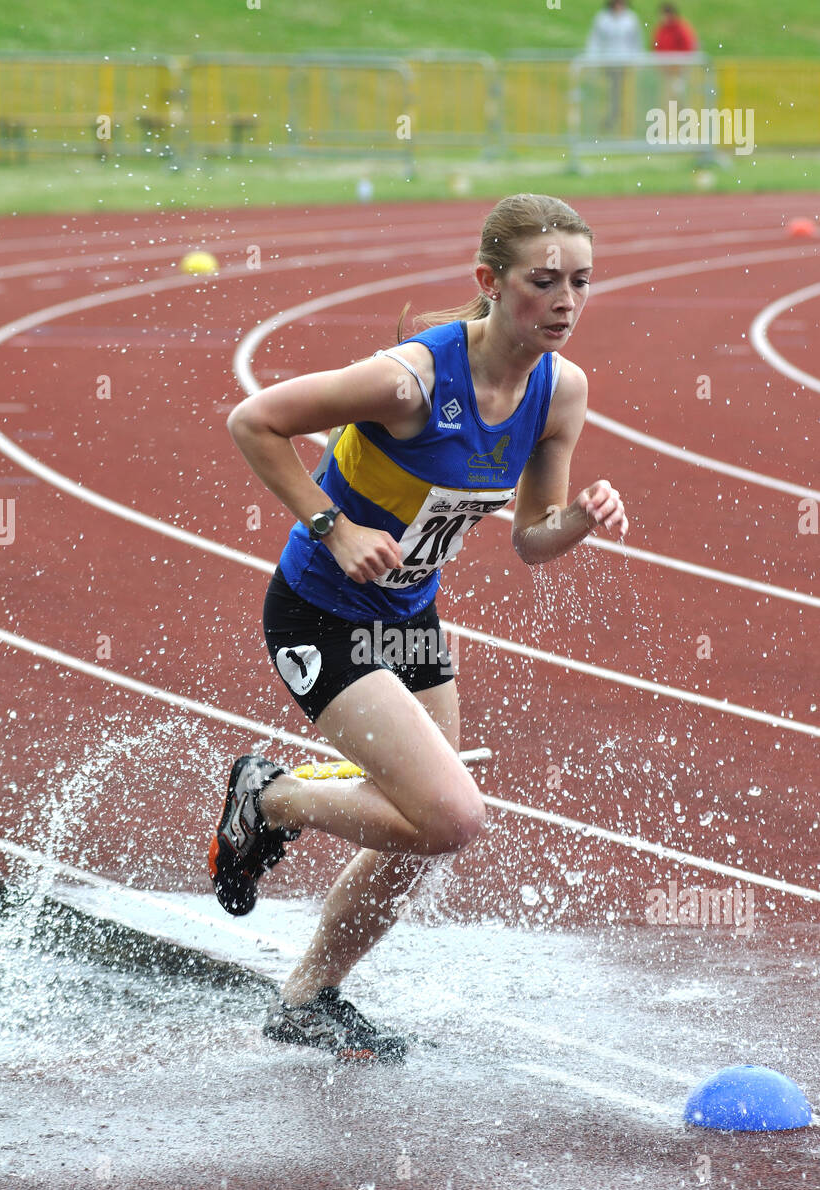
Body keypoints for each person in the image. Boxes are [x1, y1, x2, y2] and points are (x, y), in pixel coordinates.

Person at [209, 193, 629, 1063]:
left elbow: (531, 541)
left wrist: (578, 519)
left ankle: (309, 996)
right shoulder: (409, 380)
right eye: (542, 281)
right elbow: (253, 421)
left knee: (420, 831)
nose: (565, 302)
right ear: (488, 281)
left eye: (580, 282)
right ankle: (271, 797)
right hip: (319, 615)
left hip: (409, 619)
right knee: (450, 817)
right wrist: (334, 525)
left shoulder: (560, 389)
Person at [584, 0, 644, 133]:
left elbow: (636, 42)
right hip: (608, 63)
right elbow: (595, 41)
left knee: (624, 93)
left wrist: (638, 61)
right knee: (610, 93)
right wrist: (592, 59)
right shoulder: (602, 19)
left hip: (625, 64)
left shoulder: (631, 19)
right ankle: (611, 118)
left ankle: (624, 120)